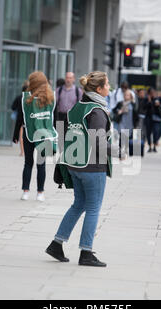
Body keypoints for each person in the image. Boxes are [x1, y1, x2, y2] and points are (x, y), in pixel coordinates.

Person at [46, 71, 120, 267]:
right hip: (92, 166)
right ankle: (86, 252)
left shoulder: (77, 107)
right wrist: (119, 151)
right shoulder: (96, 110)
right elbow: (99, 142)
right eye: (107, 84)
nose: (109, 87)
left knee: (78, 205)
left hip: (74, 164)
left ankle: (56, 243)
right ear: (98, 89)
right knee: (93, 209)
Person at [13, 71, 57, 202]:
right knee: (41, 164)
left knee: (28, 163)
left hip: (29, 133)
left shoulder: (26, 98)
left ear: (32, 83)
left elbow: (21, 118)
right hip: (44, 134)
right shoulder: (51, 98)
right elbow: (53, 118)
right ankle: (40, 193)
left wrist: (15, 134)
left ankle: (25, 192)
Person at [112, 89, 135, 157]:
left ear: (130, 96)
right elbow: (114, 110)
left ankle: (126, 150)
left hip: (130, 123)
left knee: (128, 137)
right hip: (122, 122)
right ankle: (120, 151)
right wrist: (119, 111)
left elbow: (136, 113)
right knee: (122, 136)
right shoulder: (120, 103)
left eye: (127, 95)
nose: (126, 96)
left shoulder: (133, 104)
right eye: (125, 95)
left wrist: (136, 124)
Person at [11, 81, 29, 157]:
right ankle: (27, 151)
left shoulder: (19, 97)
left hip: (21, 119)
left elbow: (13, 107)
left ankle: (22, 152)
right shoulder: (31, 98)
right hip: (29, 119)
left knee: (21, 136)